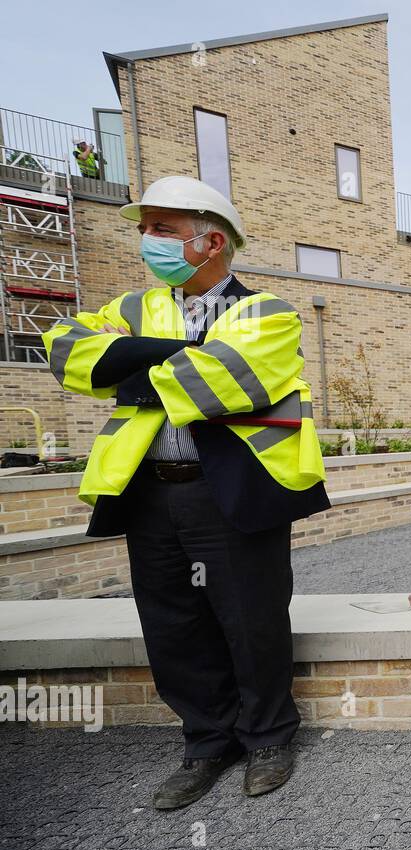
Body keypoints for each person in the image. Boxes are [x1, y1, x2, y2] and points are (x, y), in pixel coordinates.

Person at [42, 175, 330, 810]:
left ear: (212, 241)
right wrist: (180, 351)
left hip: (233, 492)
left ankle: (268, 738)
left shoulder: (268, 313)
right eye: (146, 229)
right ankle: (206, 742)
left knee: (251, 620)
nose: (148, 241)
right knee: (172, 625)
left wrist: (132, 366)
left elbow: (220, 382)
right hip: (150, 492)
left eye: (163, 229)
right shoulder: (133, 306)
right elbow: (67, 353)